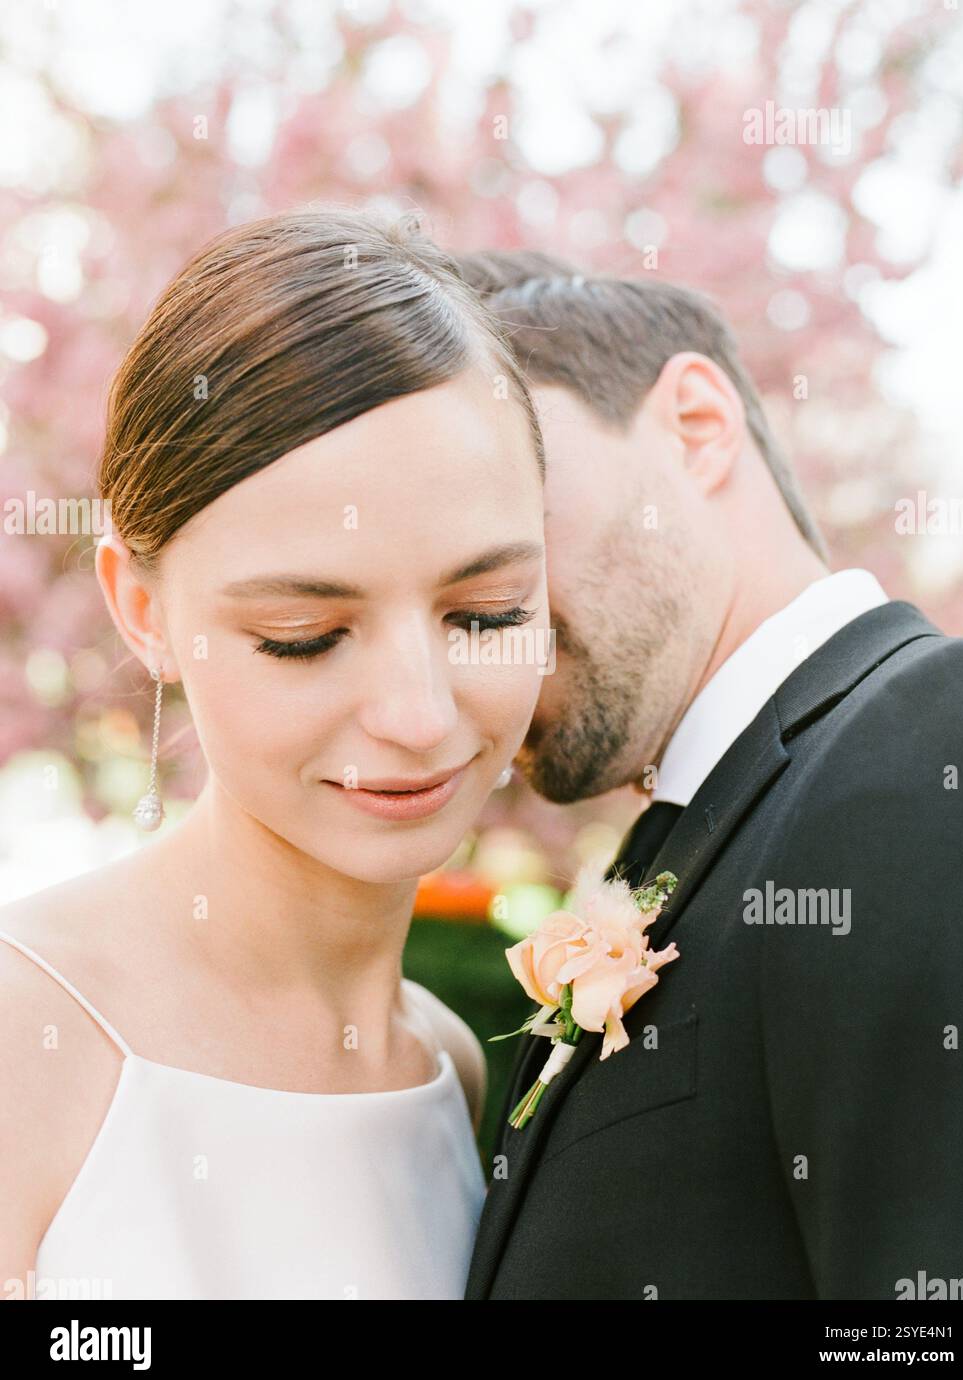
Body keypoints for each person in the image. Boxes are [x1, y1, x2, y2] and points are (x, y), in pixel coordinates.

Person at [0, 208, 552, 1300]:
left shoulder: (453, 1063)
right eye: (304, 634)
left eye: (486, 613)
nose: (418, 713)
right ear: (140, 607)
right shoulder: (29, 1036)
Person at [455, 250, 963, 1300]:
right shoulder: (693, 840)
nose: (474, 626)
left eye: (498, 510)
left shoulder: (941, 738)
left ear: (695, 426)